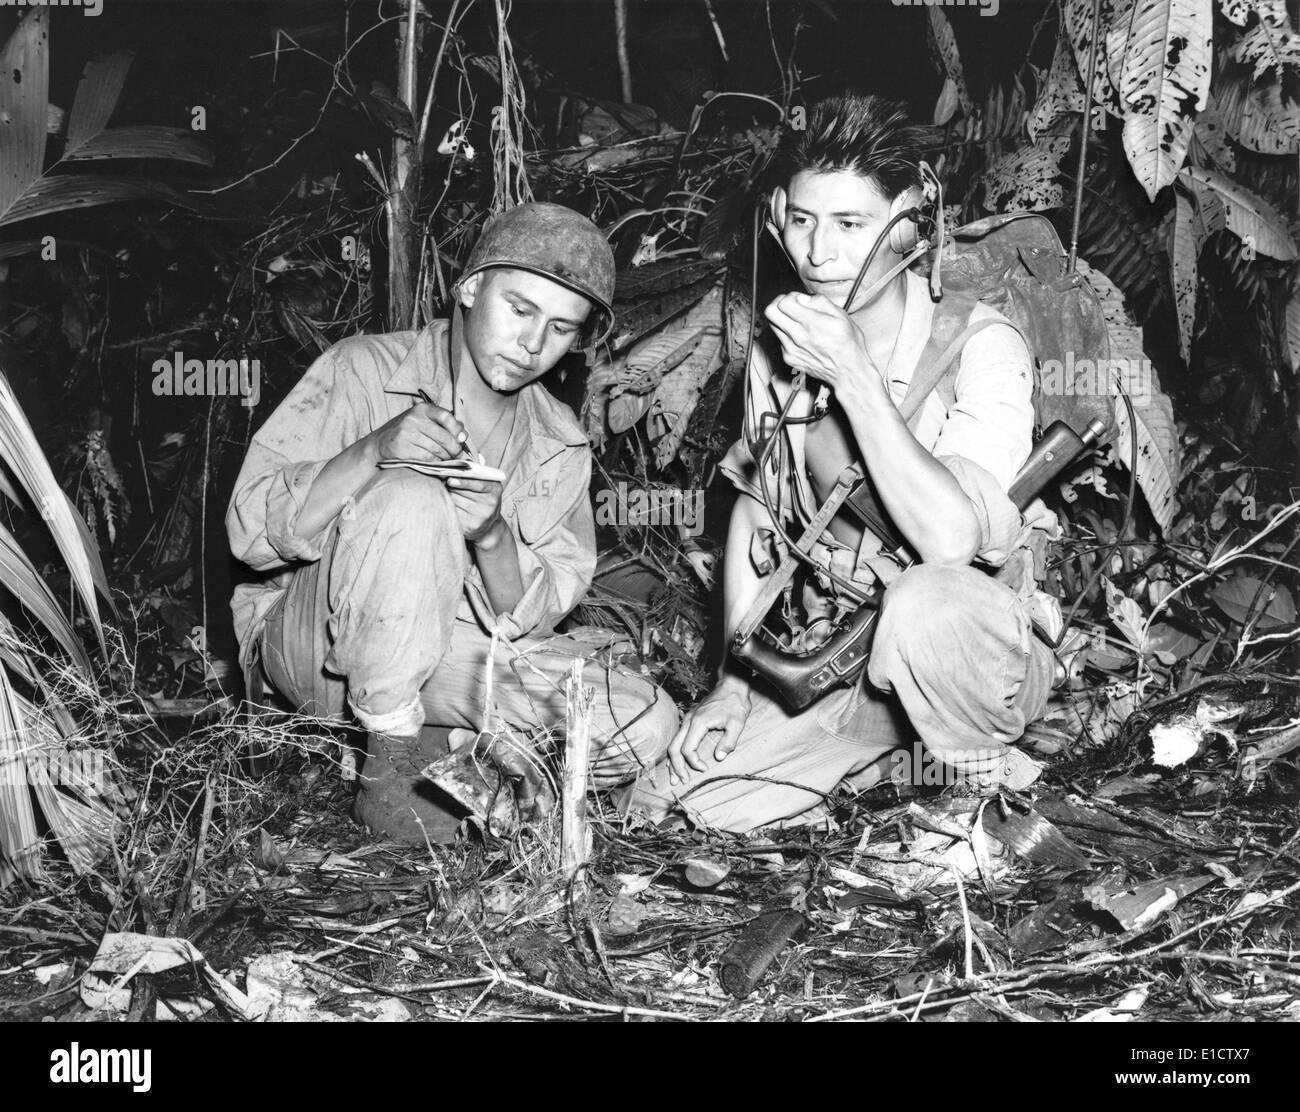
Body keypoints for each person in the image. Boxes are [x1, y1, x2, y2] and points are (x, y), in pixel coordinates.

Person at [628, 94, 1065, 833]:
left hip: (970, 652)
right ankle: (887, 762)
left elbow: (952, 544)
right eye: (802, 222)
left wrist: (856, 378)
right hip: (845, 652)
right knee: (695, 807)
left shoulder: (980, 346)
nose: (818, 253)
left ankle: (986, 796)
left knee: (927, 602)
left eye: (850, 225)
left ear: (907, 224)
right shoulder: (779, 352)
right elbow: (759, 513)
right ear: (777, 216)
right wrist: (735, 685)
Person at [227, 202, 679, 844]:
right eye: (519, 310)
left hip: (446, 655)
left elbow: (539, 616)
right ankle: (390, 768)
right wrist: (373, 451)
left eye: (559, 328)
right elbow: (248, 535)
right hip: (316, 648)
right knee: (411, 497)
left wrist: (492, 535)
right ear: (470, 287)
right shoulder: (362, 370)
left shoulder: (559, 441)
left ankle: (464, 748)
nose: (532, 344)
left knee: (644, 720)